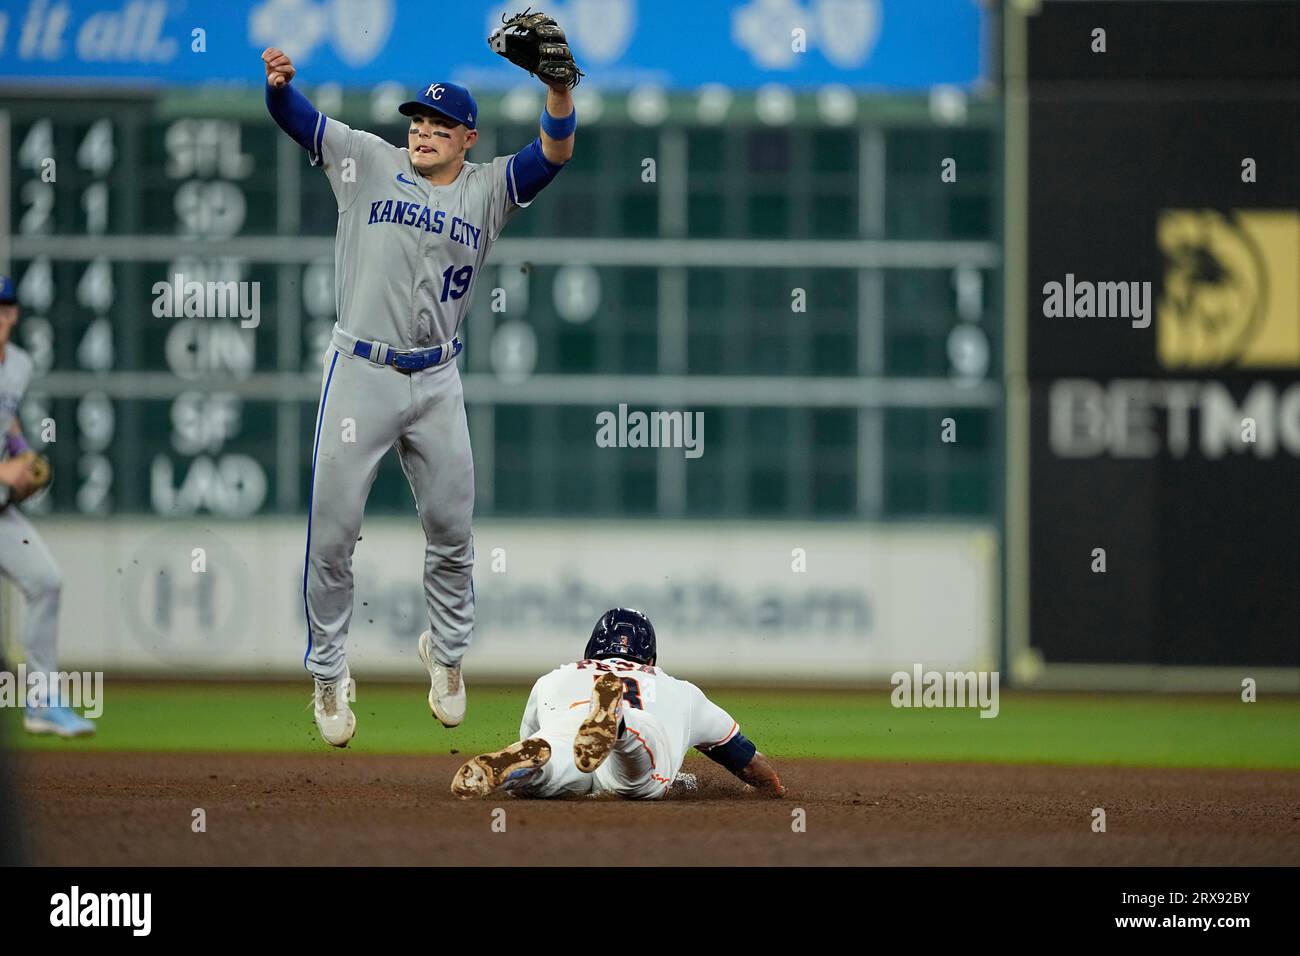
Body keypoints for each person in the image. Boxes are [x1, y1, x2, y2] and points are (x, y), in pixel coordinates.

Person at [260, 38, 576, 746]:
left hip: (437, 378)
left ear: (468, 138)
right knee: (333, 533)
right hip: (361, 370)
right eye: (417, 122)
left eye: (438, 125)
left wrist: (559, 94)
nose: (422, 132)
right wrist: (279, 87)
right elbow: (300, 119)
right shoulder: (368, 162)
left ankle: (448, 655)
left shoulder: (488, 187)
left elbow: (554, 153)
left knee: (452, 531)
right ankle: (330, 670)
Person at [452, 608, 785, 800]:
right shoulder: (680, 691)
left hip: (573, 737)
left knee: (551, 760)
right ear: (651, 658)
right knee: (639, 778)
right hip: (634, 746)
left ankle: (524, 773)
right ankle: (621, 725)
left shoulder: (553, 678)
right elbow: (747, 762)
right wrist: (772, 789)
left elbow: (529, 737)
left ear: (589, 652)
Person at [0, 275, 94, 737]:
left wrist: (20, 450)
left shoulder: (17, 364)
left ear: (14, 314)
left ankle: (42, 703)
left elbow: (8, 415)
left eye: (4, 307)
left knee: (46, 581)